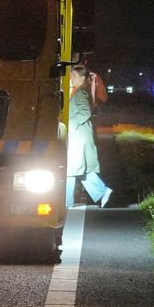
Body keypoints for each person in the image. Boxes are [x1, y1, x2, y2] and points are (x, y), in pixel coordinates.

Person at [66, 65, 113, 208]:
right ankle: (102, 191)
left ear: (81, 78)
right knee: (78, 168)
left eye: (74, 75)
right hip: (79, 136)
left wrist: (71, 125)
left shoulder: (80, 93)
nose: (71, 77)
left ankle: (66, 202)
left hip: (78, 136)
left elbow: (85, 112)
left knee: (71, 168)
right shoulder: (77, 91)